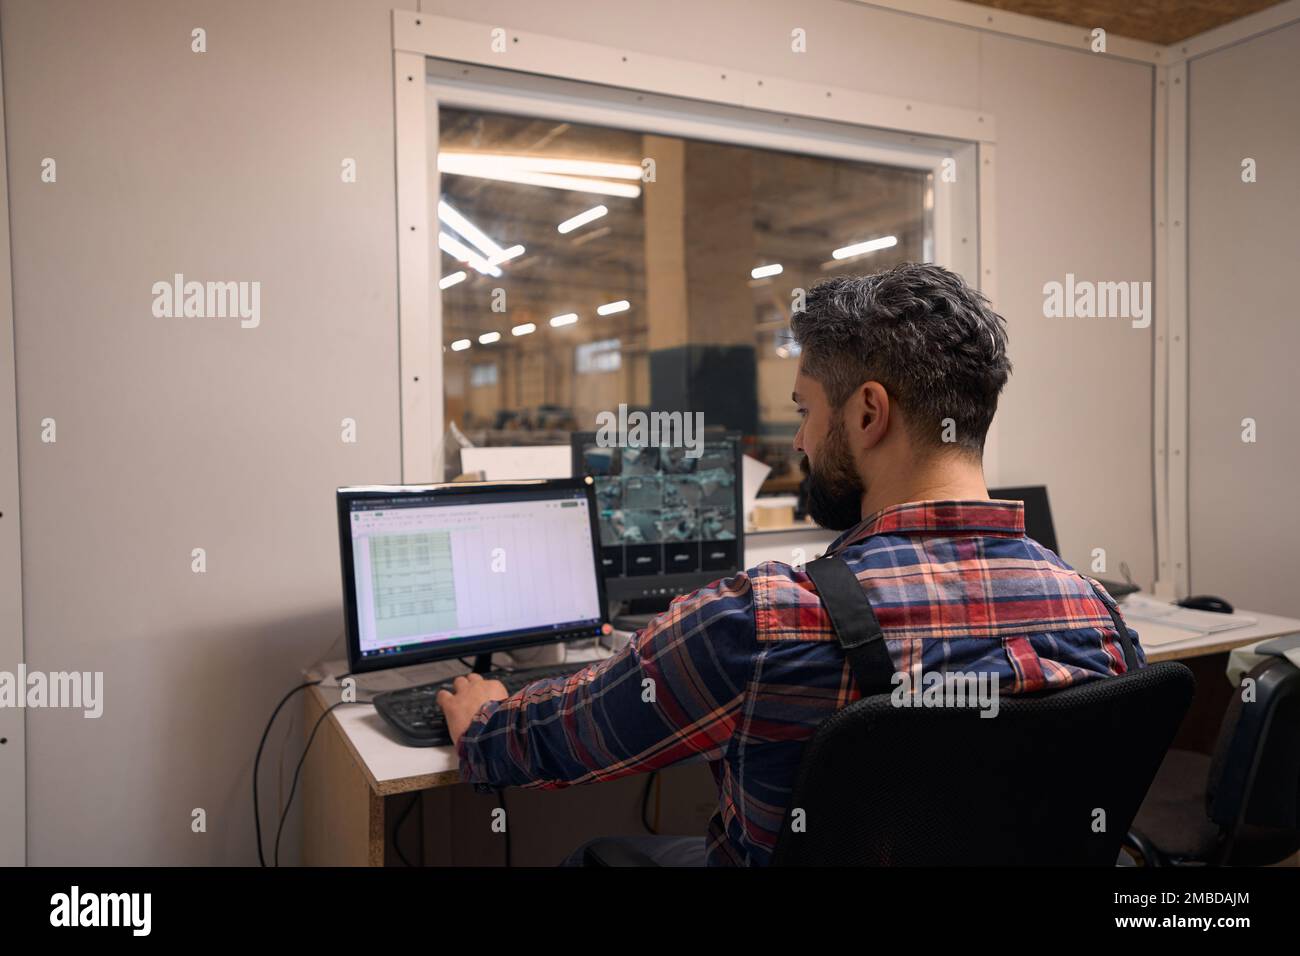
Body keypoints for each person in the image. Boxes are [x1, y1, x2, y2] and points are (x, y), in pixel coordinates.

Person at [437, 262, 1145, 866]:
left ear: (869, 413)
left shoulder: (760, 622)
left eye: (804, 410)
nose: (800, 441)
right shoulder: (1100, 618)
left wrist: (485, 721)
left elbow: (556, 743)